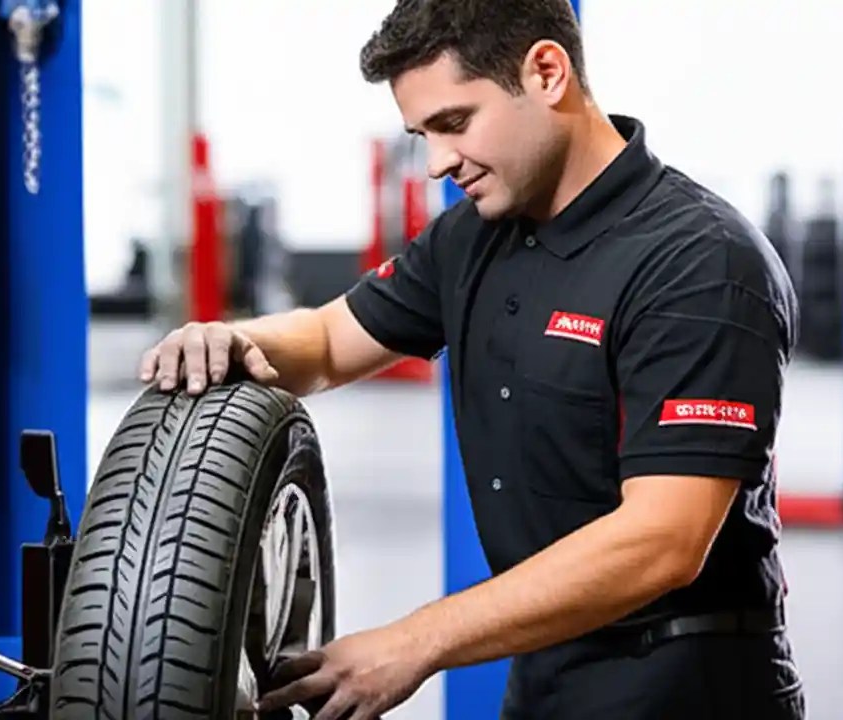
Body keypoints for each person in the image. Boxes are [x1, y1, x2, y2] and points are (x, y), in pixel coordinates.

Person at [137, 0, 806, 717]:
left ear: (547, 72)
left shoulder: (700, 263)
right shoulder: (474, 237)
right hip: (547, 679)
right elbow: (331, 342)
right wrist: (234, 341)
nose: (435, 164)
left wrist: (418, 639)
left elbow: (663, 540)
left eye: (454, 123)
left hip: (689, 691)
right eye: (421, 134)